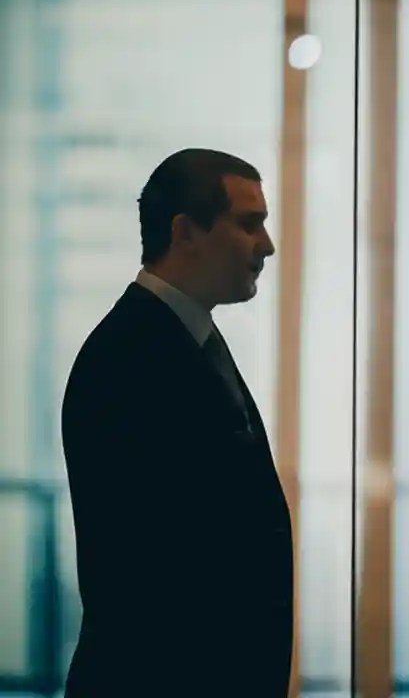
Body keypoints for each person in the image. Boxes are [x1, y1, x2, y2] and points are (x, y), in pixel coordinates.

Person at [60, 149, 291, 696]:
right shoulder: (127, 355)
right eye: (249, 223)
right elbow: (151, 577)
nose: (267, 245)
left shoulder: (181, 337)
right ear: (185, 231)